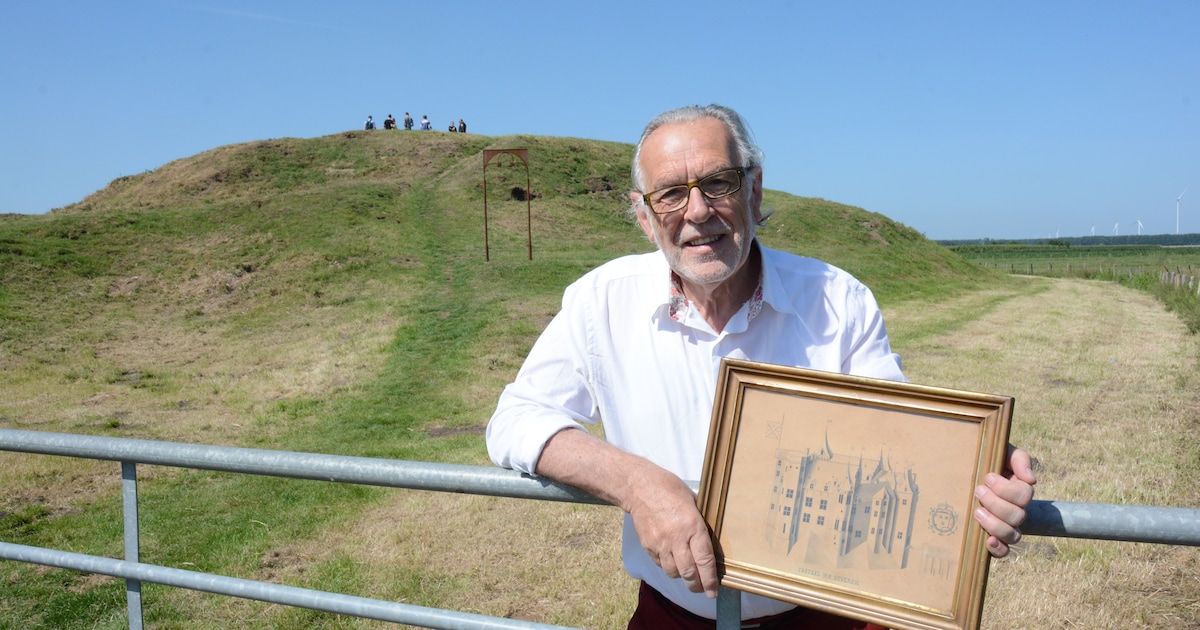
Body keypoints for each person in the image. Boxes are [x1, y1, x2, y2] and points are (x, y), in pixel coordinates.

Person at [486, 104, 1036, 629]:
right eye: (671, 194)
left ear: (754, 191)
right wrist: (638, 484)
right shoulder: (600, 301)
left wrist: (970, 466)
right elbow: (516, 420)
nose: (698, 212)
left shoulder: (838, 300)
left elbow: (898, 432)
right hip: (675, 620)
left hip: (830, 619)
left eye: (718, 183)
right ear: (645, 216)